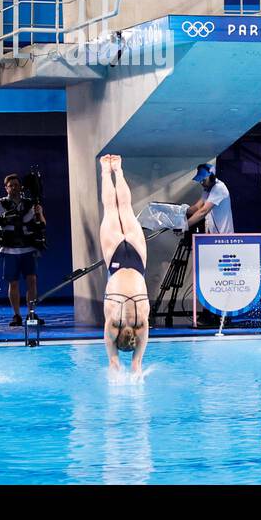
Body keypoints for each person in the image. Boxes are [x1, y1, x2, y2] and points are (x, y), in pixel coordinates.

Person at [99, 155, 149, 373]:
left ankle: (118, 170)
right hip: (116, 262)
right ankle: (106, 171)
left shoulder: (141, 322)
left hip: (137, 261)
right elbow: (111, 352)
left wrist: (135, 362)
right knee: (111, 209)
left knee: (125, 208)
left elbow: (139, 357)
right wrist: (115, 361)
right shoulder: (115, 321)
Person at [0, 173, 46, 326]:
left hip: (28, 249)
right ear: (6, 188)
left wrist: (39, 213)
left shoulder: (31, 205)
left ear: (21, 187)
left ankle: (31, 313)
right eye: (11, 185)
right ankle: (16, 315)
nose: (14, 188)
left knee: (32, 280)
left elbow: (42, 224)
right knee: (14, 283)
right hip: (9, 250)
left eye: (17, 185)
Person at [183, 163, 234, 234]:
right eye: (200, 180)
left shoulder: (219, 188)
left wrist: (184, 226)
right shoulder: (207, 189)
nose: (201, 182)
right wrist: (180, 211)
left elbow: (203, 211)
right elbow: (196, 207)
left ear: (212, 177)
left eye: (203, 179)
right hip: (212, 235)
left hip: (223, 236)